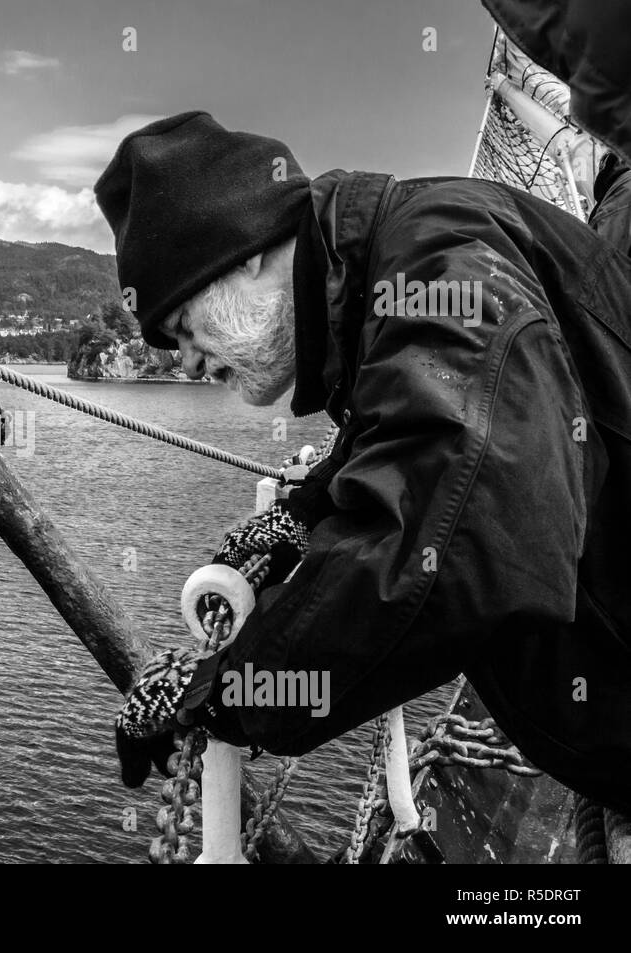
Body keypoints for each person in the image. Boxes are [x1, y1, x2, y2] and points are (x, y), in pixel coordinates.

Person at [96, 111, 631, 813]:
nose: (189, 361)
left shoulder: (444, 257)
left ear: (245, 252)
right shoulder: (394, 275)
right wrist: (299, 513)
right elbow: (403, 439)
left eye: (183, 326)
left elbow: (455, 535)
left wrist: (222, 695)